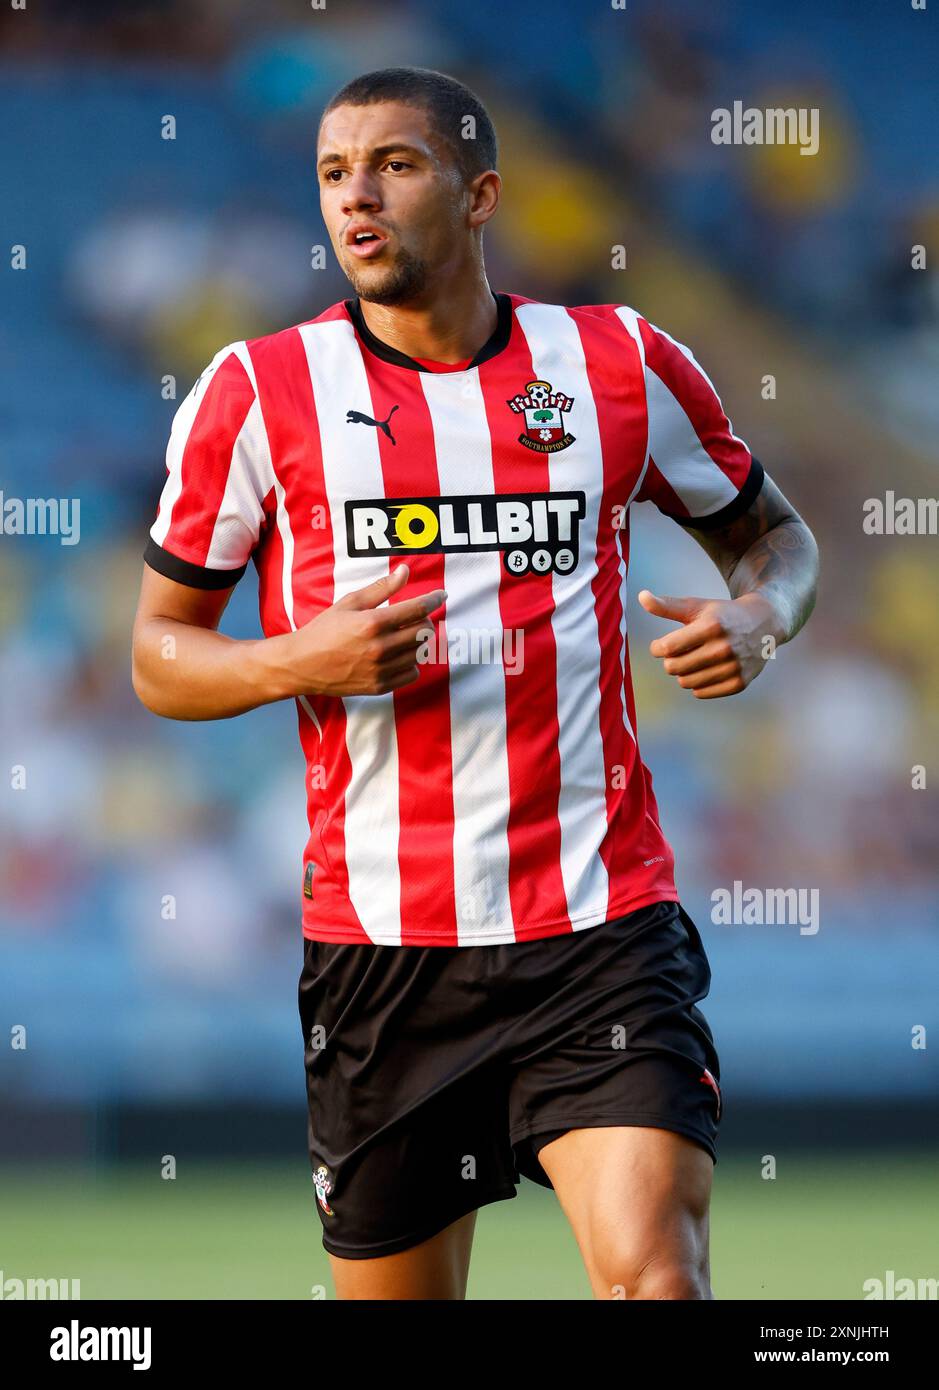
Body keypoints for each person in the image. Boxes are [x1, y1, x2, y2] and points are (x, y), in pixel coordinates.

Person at [131, 66, 818, 1300]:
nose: (356, 196)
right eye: (334, 173)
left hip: (601, 927)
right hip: (384, 956)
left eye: (394, 165)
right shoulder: (257, 392)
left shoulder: (617, 363)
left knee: (660, 1279)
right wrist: (299, 660)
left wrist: (762, 619)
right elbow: (158, 654)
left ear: (482, 193)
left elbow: (777, 540)